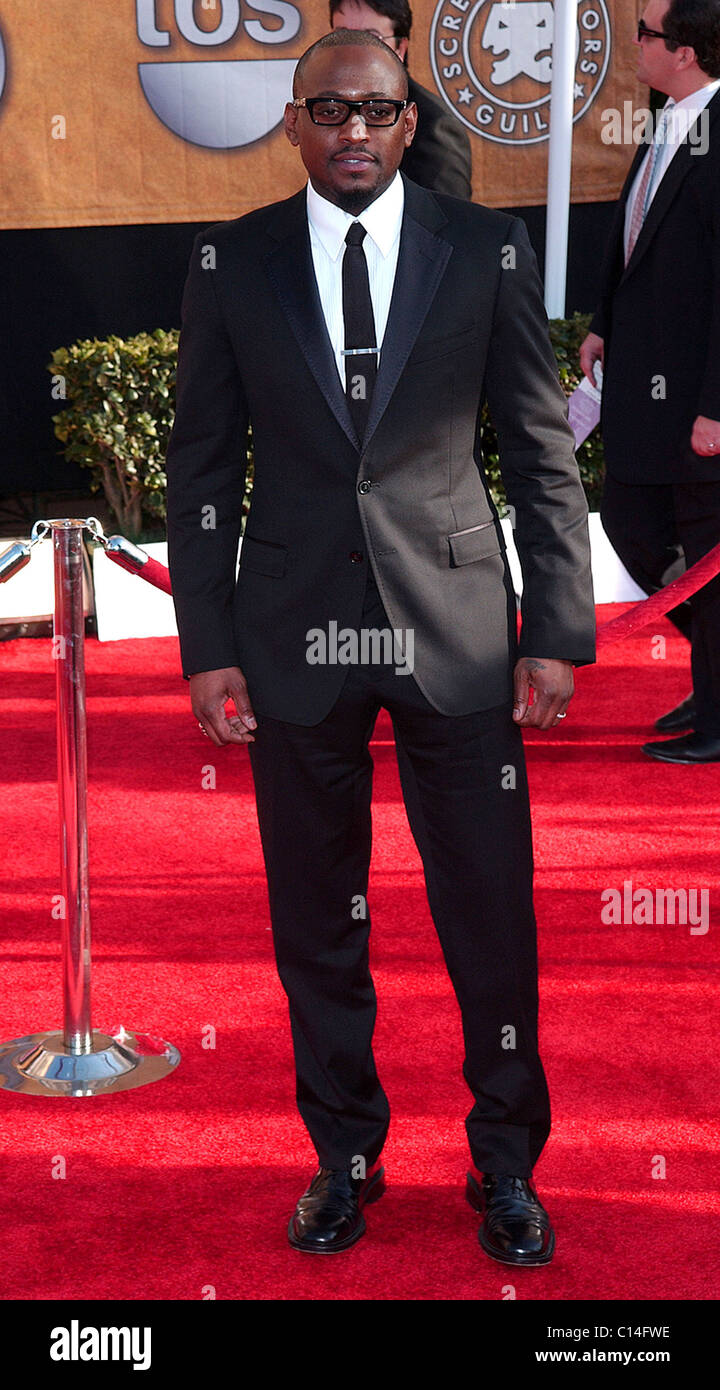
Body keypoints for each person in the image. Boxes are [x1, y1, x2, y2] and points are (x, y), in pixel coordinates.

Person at [166, 29, 595, 1265]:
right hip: (293, 635)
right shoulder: (231, 263)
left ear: (409, 123)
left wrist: (554, 627)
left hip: (455, 632)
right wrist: (209, 643)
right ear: (294, 124)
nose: (354, 132)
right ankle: (343, 1159)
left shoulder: (487, 248)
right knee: (318, 920)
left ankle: (507, 1166)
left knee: (490, 913)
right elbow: (202, 467)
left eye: (376, 112)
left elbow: (536, 442)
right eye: (331, 112)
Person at [581, 0, 720, 763]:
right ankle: (719, 675)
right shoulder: (665, 118)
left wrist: (715, 409)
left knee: (704, 545)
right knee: (631, 525)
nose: (635, 43)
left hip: (697, 398)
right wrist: (603, 322)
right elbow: (631, 238)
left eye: (646, 33)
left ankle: (719, 711)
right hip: (642, 385)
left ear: (688, 52)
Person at [330, 0, 473, 198]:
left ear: (401, 49)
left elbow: (447, 221)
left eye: (371, 38)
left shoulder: (434, 127)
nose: (353, 51)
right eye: (341, 36)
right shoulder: (322, 112)